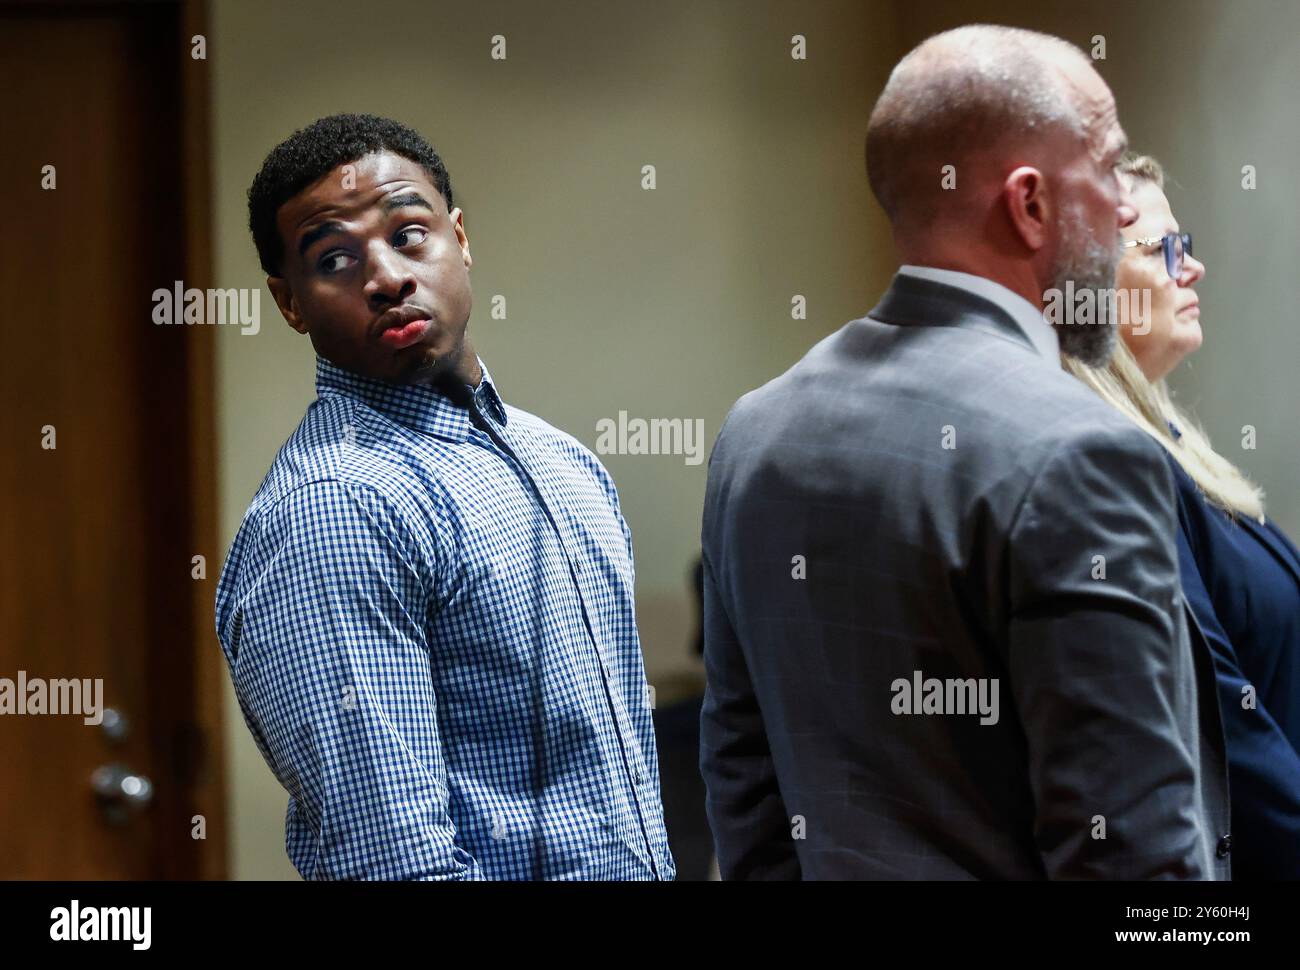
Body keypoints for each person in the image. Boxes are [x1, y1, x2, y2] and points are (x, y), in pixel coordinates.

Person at [699, 26, 1230, 879]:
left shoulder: (754, 431)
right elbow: (1131, 854)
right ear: (1029, 206)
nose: (1126, 209)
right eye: (1106, 166)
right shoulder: (1083, 449)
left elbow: (743, 785)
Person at [215, 114, 674, 881]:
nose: (386, 277)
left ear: (459, 238)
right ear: (288, 302)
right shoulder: (335, 510)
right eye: (333, 258)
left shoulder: (563, 462)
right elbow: (389, 864)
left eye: (408, 234)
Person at [1063, 154, 1300, 879]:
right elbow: (1222, 721)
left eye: (1186, 245)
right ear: (1095, 280)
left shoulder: (1162, 442)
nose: (1191, 269)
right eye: (1166, 250)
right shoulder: (1106, 461)